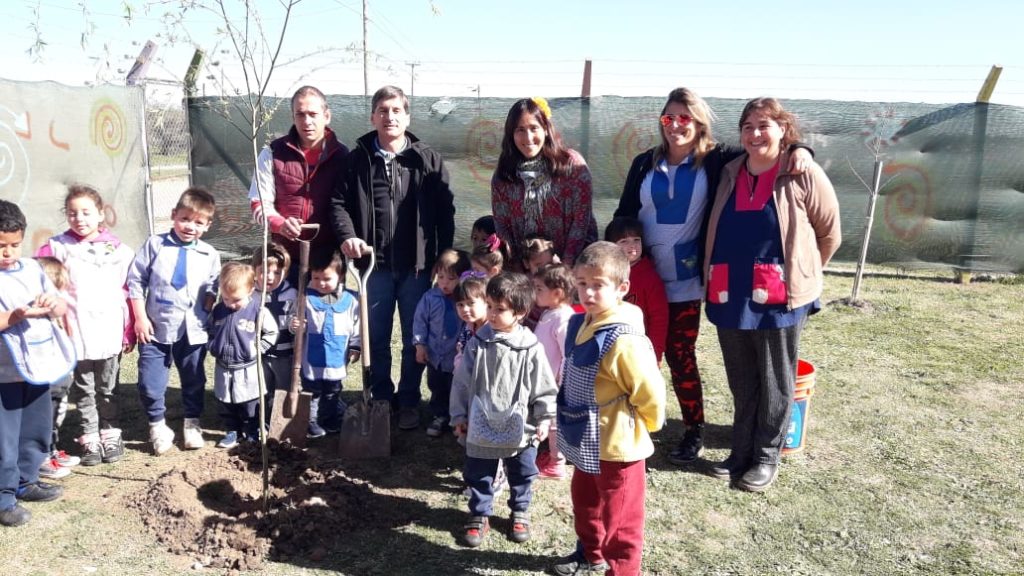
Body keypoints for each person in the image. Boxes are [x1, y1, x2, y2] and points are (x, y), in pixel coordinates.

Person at [613, 87, 812, 466]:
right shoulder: (644, 163)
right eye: (668, 118)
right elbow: (625, 212)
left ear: (699, 120)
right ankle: (631, 416)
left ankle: (693, 430)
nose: (675, 126)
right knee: (633, 350)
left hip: (687, 281)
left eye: (684, 117)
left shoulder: (719, 159)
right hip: (644, 277)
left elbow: (768, 150)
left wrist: (802, 150)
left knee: (681, 355)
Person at [703, 97, 840, 492]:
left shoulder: (801, 171)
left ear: (783, 130)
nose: (755, 133)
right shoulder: (729, 172)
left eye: (764, 125)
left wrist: (802, 272)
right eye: (748, 126)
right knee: (742, 379)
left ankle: (766, 456)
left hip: (779, 297)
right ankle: (740, 452)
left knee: (776, 378)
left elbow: (829, 231)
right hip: (730, 291)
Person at [332, 85, 456, 432]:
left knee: (416, 338)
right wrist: (348, 237)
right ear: (373, 116)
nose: (390, 117)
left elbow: (446, 211)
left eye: (396, 111)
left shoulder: (426, 159)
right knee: (378, 338)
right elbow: (338, 203)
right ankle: (381, 397)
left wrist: (442, 255)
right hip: (373, 268)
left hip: (417, 267)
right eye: (383, 111)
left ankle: (409, 400)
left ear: (407, 116)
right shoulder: (356, 159)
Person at [551, 241, 666, 576]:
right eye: (582, 284)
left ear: (622, 288)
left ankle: (621, 570)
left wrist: (645, 425)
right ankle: (591, 553)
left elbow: (650, 391)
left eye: (598, 285)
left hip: (618, 447)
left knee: (621, 522)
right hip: (586, 439)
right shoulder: (581, 322)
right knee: (586, 503)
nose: (588, 293)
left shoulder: (625, 339)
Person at [450, 272, 556, 548]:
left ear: (520, 312)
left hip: (521, 425)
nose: (493, 314)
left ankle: (519, 510)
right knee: (479, 470)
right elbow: (461, 382)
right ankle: (480, 512)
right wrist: (459, 415)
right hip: (481, 421)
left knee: (522, 470)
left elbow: (543, 386)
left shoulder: (531, 347)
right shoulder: (478, 344)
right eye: (490, 306)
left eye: (500, 309)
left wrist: (544, 417)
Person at [36, 184, 134, 466]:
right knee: (84, 389)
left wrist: (128, 331)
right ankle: (89, 437)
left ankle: (111, 433)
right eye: (72, 213)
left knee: (108, 387)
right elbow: (39, 274)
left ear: (100, 214)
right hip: (75, 334)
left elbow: (128, 291)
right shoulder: (56, 246)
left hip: (109, 332)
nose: (80, 219)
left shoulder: (119, 250)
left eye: (86, 212)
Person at [128, 188, 221, 455]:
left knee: (193, 379)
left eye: (198, 223)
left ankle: (192, 423)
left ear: (207, 225)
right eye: (185, 219)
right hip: (156, 328)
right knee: (149, 382)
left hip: (193, 330)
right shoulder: (154, 245)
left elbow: (214, 283)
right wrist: (140, 318)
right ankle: (158, 425)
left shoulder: (210, 254)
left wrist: (210, 298)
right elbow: (135, 281)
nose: (190, 227)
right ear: (173, 216)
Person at [0, 199, 75, 528]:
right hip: (3, 374)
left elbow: (59, 308)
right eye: (1, 246)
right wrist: (15, 316)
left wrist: (52, 303)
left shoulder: (32, 269)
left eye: (15, 245)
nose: (8, 253)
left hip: (35, 367)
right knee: (5, 438)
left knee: (36, 428)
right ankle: (3, 498)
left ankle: (26, 481)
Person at [249, 85, 349, 273]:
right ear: (293, 117)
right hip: (284, 259)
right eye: (300, 114)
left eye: (313, 114)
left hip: (328, 262)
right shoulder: (271, 152)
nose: (307, 121)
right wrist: (279, 224)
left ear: (326, 116)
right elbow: (257, 203)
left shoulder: (343, 156)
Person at [491, 97, 597, 268]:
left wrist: (565, 268)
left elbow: (581, 219)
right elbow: (502, 226)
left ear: (546, 129)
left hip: (571, 268)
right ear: (511, 134)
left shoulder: (571, 165)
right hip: (526, 271)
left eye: (534, 128)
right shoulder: (504, 175)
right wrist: (518, 268)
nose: (528, 137)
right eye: (520, 130)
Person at [206, 262, 279, 448]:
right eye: (226, 298)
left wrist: (258, 349)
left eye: (236, 300)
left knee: (250, 405)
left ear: (250, 290)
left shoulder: (258, 311)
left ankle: (252, 433)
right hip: (224, 367)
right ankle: (233, 432)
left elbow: (272, 332)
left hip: (248, 368)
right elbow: (210, 330)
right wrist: (212, 345)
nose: (230, 304)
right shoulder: (218, 310)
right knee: (226, 402)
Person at [290, 250, 360, 438]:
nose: (321, 283)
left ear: (341, 276)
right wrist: (295, 325)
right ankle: (310, 421)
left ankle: (329, 419)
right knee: (311, 392)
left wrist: (355, 346)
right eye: (316, 277)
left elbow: (357, 326)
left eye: (327, 278)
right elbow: (294, 322)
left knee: (332, 391)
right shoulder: (305, 298)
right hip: (310, 357)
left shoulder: (352, 300)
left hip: (336, 355)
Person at [413, 249, 471, 438]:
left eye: (451, 279)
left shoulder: (464, 302)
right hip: (435, 355)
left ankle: (459, 419)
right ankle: (439, 415)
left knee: (457, 388)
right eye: (441, 277)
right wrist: (420, 345)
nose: (444, 283)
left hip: (455, 357)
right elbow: (420, 323)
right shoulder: (429, 298)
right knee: (436, 386)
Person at [530, 263, 576, 480]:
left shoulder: (563, 318)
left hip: (554, 383)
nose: (535, 292)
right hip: (543, 380)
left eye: (539, 289)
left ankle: (557, 463)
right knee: (546, 418)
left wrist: (562, 381)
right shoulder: (550, 312)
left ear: (557, 293)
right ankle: (550, 455)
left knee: (555, 423)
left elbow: (569, 353)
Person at [604, 216, 669, 364]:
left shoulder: (650, 278)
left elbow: (659, 320)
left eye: (636, 240)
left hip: (639, 351)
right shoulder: (605, 275)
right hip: (610, 349)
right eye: (624, 241)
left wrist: (655, 354)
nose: (632, 245)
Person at [33, 257, 76, 480]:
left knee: (57, 414)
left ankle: (51, 450)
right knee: (44, 417)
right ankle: (41, 459)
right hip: (45, 381)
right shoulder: (36, 319)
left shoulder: (56, 314)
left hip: (60, 379)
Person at [253, 241, 296, 424]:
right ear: (254, 269)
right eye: (264, 271)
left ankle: (280, 421)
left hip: (284, 353)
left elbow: (296, 322)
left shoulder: (291, 293)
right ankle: (261, 419)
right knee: (261, 387)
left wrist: (296, 326)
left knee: (283, 387)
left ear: (285, 273)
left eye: (277, 272)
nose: (270, 277)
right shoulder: (250, 294)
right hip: (259, 354)